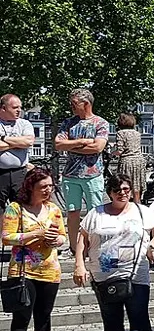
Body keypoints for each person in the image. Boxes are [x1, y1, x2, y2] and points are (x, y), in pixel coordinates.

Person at [74, 174, 154, 331]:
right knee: (112, 325)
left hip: (136, 275)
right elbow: (82, 238)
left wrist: (152, 244)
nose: (122, 193)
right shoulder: (96, 213)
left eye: (126, 189)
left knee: (140, 320)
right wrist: (79, 265)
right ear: (110, 193)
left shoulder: (142, 211)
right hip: (104, 277)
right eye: (117, 190)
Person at [2, 168, 66, 331]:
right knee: (21, 317)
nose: (48, 190)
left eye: (50, 186)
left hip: (49, 269)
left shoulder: (53, 209)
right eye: (43, 186)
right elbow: (6, 238)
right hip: (23, 270)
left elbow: (62, 236)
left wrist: (56, 240)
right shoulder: (16, 207)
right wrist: (35, 235)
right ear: (31, 187)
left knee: (44, 316)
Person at [55, 88, 109, 253]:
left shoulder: (101, 123)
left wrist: (71, 145)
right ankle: (73, 248)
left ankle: (94, 246)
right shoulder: (68, 122)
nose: (71, 106)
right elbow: (58, 144)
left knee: (95, 213)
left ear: (86, 104)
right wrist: (84, 142)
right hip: (71, 175)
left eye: (74, 103)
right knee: (72, 213)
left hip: (93, 174)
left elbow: (98, 147)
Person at [0, 94, 34, 210]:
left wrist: (4, 139)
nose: (19, 110)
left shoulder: (24, 124)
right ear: (4, 108)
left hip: (20, 173)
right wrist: (18, 143)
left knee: (21, 207)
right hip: (1, 173)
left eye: (20, 107)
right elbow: (23, 142)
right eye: (15, 107)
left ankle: (20, 229)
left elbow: (28, 141)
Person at [111, 113, 148, 203]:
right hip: (139, 161)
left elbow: (120, 150)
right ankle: (137, 205)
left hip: (127, 162)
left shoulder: (120, 133)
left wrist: (111, 153)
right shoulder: (137, 133)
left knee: (124, 184)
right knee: (137, 185)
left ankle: (125, 205)